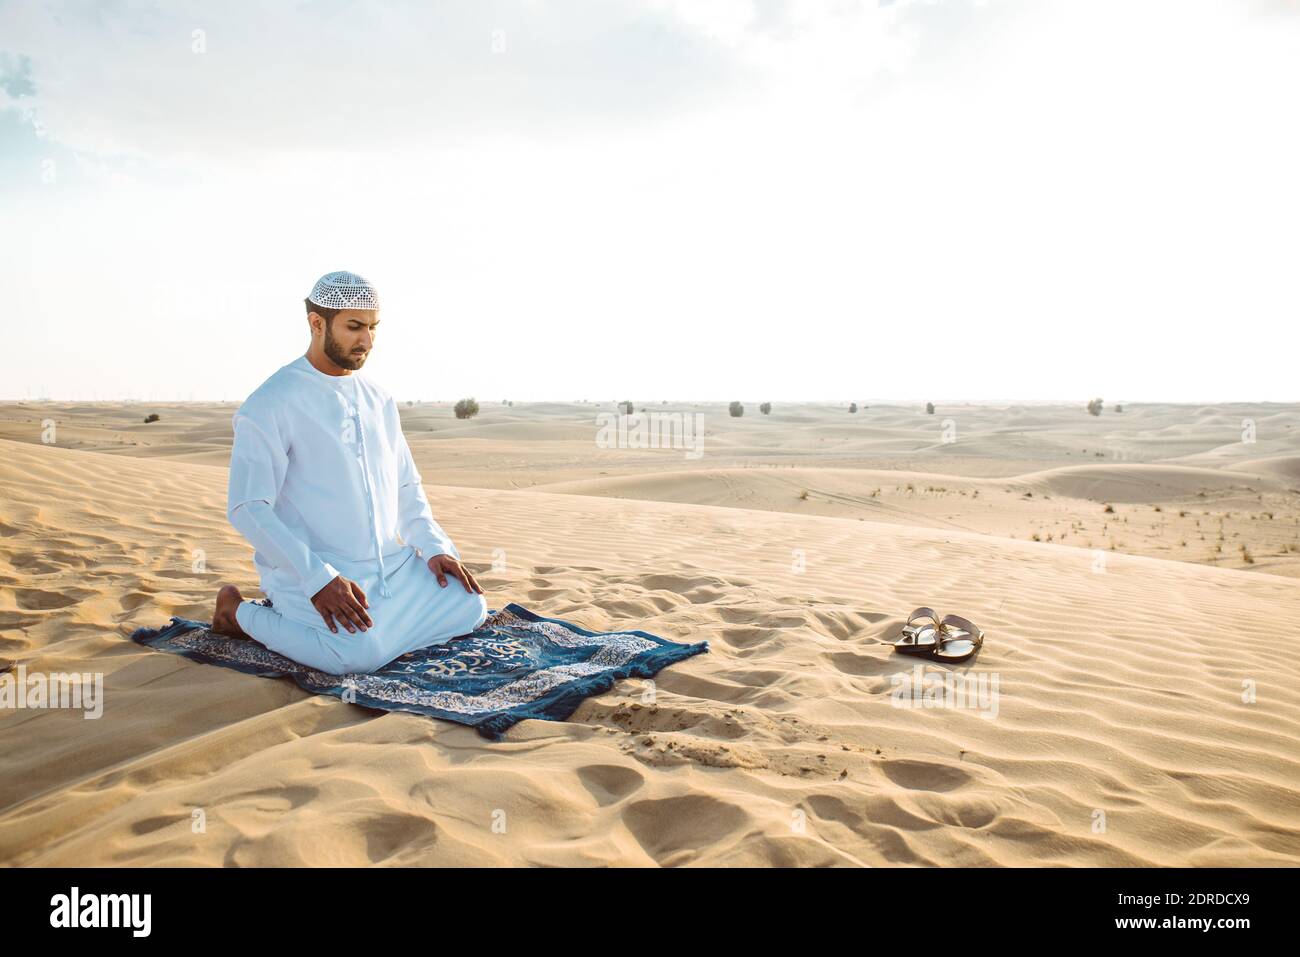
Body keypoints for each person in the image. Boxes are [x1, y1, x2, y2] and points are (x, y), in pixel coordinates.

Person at [210, 270, 487, 675]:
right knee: (357, 656)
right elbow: (248, 507)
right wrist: (318, 578)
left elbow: (407, 485)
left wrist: (435, 547)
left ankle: (381, 627)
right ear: (316, 323)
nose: (367, 341)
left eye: (373, 328)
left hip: (391, 567)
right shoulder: (271, 403)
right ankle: (239, 613)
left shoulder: (379, 398)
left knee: (469, 606)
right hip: (318, 571)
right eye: (355, 327)